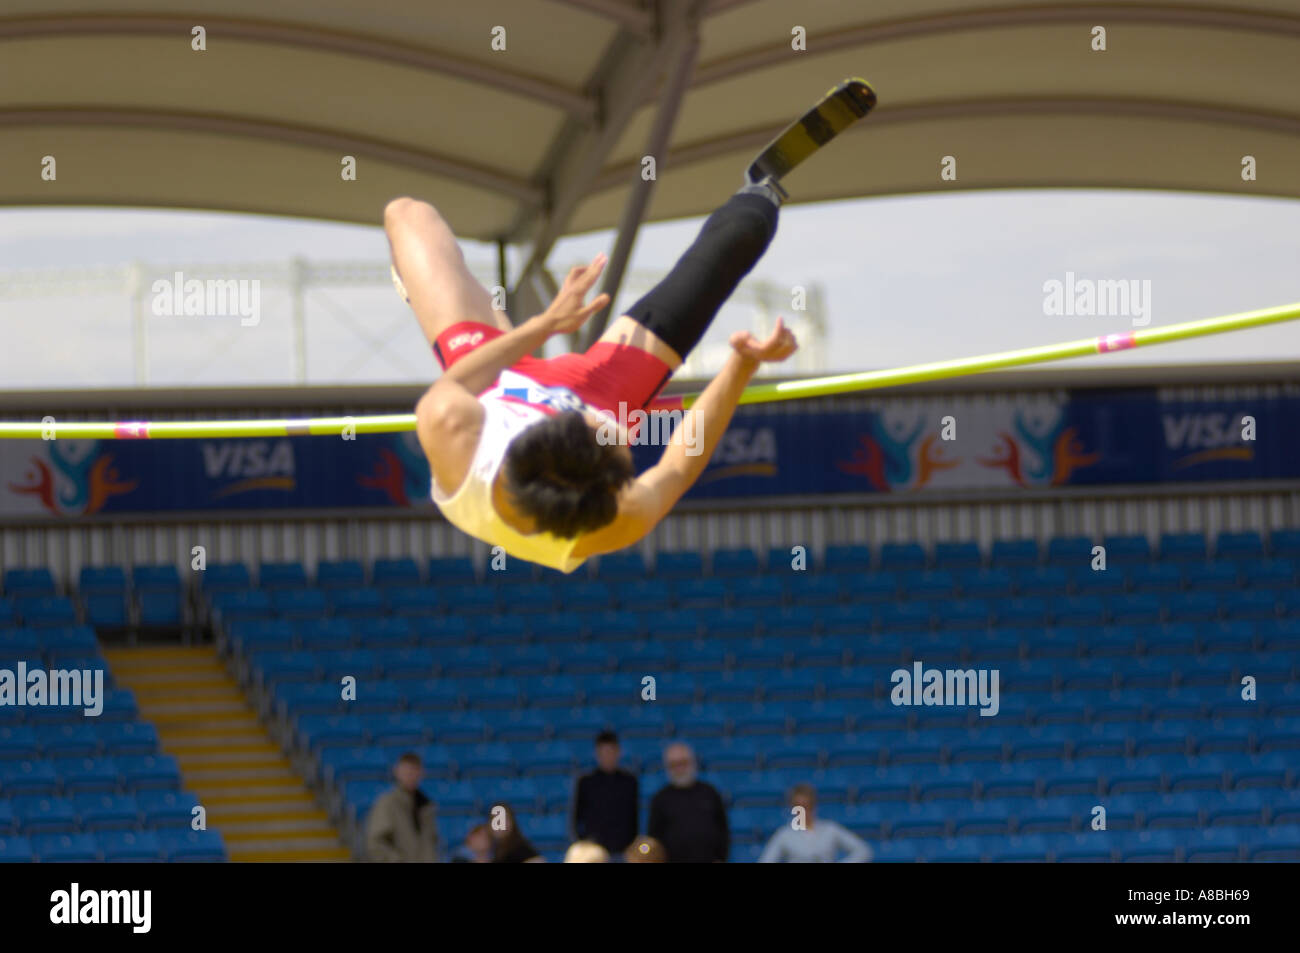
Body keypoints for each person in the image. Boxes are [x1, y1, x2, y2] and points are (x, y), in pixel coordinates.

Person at [385, 176, 797, 573]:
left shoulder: (455, 430)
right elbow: (677, 467)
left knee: (407, 214)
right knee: (742, 234)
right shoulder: (622, 515)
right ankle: (761, 188)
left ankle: (412, 284)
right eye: (618, 439)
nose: (624, 434)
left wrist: (545, 324)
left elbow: (455, 382)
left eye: (608, 436)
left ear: (540, 434)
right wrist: (742, 365)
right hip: (601, 390)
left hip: (494, 380)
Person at [647, 742, 728, 863]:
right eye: (674, 764)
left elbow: (723, 830)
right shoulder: (660, 799)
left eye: (683, 762)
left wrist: (721, 858)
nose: (679, 768)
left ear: (692, 762)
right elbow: (654, 839)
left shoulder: (710, 793)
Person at [758, 783, 872, 863]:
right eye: (798, 807)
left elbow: (863, 851)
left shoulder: (830, 829)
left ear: (814, 805)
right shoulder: (784, 835)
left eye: (807, 806)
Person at [571, 730, 639, 854]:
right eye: (603, 753)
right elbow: (577, 817)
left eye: (610, 752)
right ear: (597, 754)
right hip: (594, 850)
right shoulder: (586, 782)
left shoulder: (630, 782)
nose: (607, 757)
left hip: (623, 849)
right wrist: (585, 842)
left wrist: (631, 844)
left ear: (618, 752)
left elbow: (634, 817)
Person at [364, 752, 440, 862]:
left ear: (421, 773)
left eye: (414, 770)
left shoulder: (426, 806)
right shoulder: (387, 803)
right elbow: (376, 842)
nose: (410, 775)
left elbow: (431, 844)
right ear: (397, 772)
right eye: (407, 771)